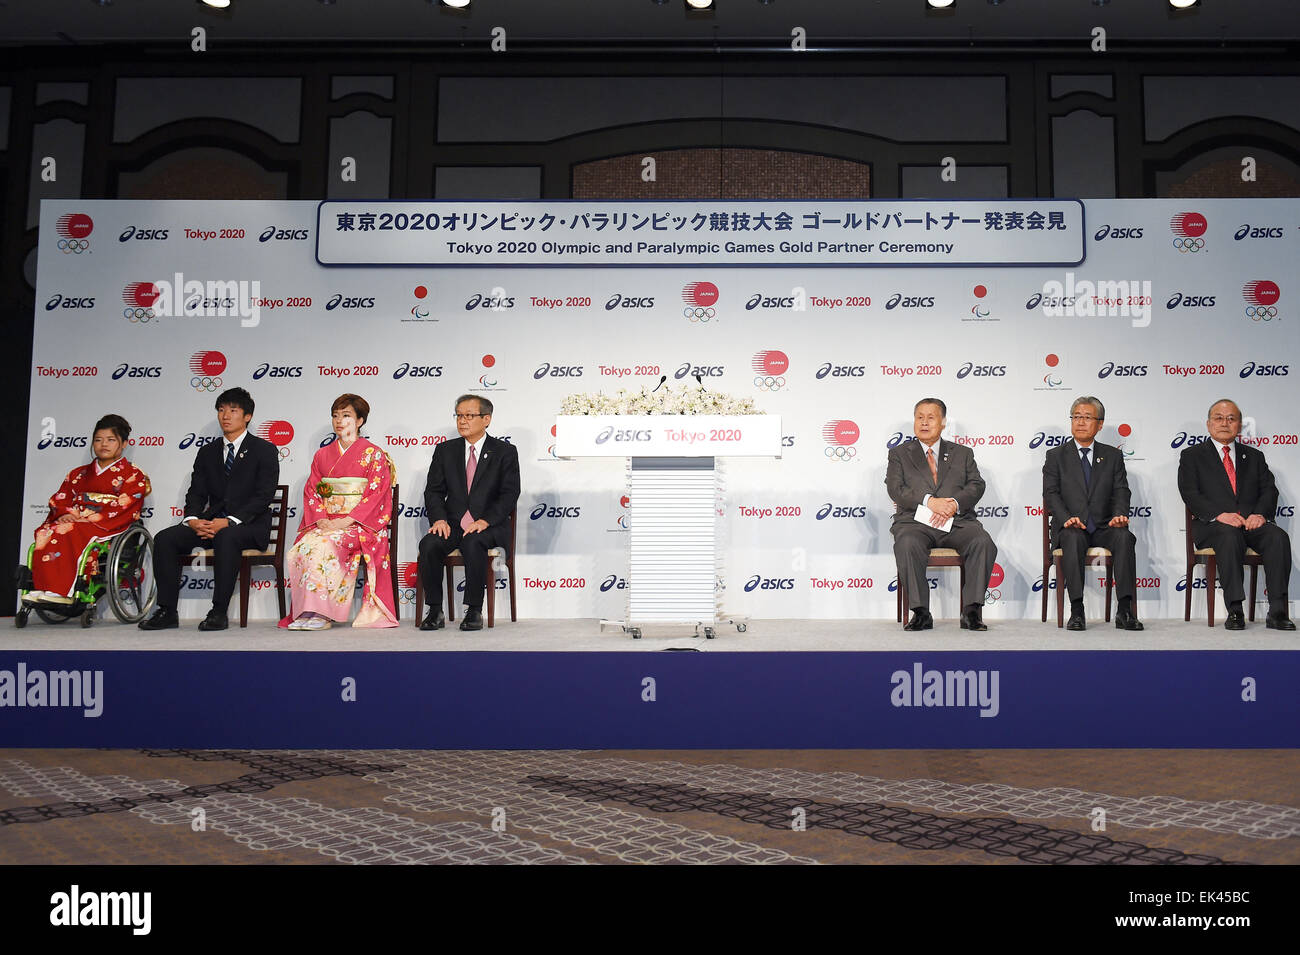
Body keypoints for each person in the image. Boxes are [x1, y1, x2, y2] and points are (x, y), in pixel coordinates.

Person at [139, 387, 280, 631]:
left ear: (247, 416)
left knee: (226, 536)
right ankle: (167, 611)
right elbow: (196, 492)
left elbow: (263, 496)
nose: (225, 415)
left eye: (233, 410)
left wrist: (231, 521)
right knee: (165, 538)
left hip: (248, 526)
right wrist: (193, 519)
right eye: (221, 410)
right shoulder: (207, 452)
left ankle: (218, 612)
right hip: (210, 524)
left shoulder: (264, 450)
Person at [282, 394, 397, 630]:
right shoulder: (322, 455)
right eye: (335, 416)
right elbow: (313, 491)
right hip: (328, 522)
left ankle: (323, 614)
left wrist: (346, 521)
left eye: (346, 416)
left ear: (360, 421)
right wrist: (321, 519)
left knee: (323, 545)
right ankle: (306, 611)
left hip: (360, 525)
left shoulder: (374, 454)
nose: (339, 421)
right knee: (303, 547)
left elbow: (377, 495)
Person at [1177, 398, 1294, 631]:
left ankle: (1278, 611)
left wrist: (1259, 515)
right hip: (1212, 526)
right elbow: (1189, 492)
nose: (1225, 423)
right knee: (1229, 535)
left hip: (1250, 524)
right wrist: (1219, 515)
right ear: (1209, 424)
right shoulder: (1192, 455)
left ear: (1239, 425)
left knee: (1278, 537)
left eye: (1231, 419)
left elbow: (1269, 490)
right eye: (1219, 418)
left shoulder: (1254, 456)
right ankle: (1235, 609)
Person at [886, 397, 998, 631]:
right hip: (915, 523)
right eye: (919, 417)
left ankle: (971, 611)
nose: (924, 422)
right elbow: (895, 489)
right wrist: (930, 502)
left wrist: (954, 504)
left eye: (931, 417)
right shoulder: (899, 453)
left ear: (943, 422)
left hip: (956, 522)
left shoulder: (962, 453)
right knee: (907, 543)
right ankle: (921, 613)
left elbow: (976, 485)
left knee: (982, 542)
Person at [417, 394, 520, 631]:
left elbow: (510, 493)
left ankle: (474, 610)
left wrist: (485, 520)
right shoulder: (445, 450)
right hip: (453, 524)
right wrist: (439, 519)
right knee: (429, 544)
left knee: (473, 542)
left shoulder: (504, 451)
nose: (462, 421)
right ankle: (435, 610)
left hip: (489, 526)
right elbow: (433, 491)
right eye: (459, 415)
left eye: (469, 415)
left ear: (486, 419)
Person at [24, 414, 152, 604]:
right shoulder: (78, 474)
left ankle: (61, 591)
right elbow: (61, 498)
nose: (103, 444)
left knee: (70, 530)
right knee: (47, 531)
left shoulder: (133, 475)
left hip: (107, 523)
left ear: (124, 443)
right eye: (98, 440)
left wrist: (88, 518)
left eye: (111, 440)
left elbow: (126, 505)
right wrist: (66, 513)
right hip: (76, 520)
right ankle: (43, 587)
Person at [1042, 396, 1142, 631]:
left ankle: (1125, 610)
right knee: (1072, 538)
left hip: (1105, 526)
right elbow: (1050, 493)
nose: (1080, 422)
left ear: (1100, 424)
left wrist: (1119, 514)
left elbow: (1121, 490)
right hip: (1072, 526)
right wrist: (1066, 518)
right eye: (1076, 416)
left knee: (1125, 537)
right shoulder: (1056, 455)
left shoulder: (1112, 456)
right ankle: (1077, 611)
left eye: (1087, 417)